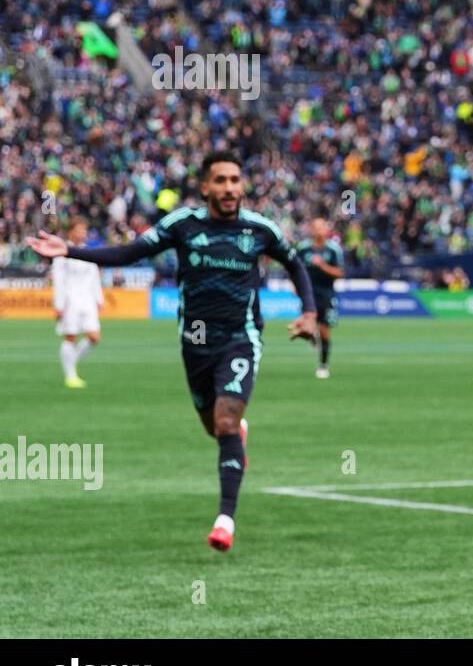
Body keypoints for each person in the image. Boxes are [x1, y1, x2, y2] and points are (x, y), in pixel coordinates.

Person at [25, 151, 318, 551]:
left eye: (235, 180)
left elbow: (295, 263)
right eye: (221, 180)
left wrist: (310, 312)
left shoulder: (260, 229)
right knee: (214, 428)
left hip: (240, 337)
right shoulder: (182, 224)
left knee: (227, 423)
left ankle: (225, 521)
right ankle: (234, 438)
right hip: (195, 341)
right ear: (205, 187)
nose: (229, 188)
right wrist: (71, 251)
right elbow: (130, 253)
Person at [51, 218, 102, 388]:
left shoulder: (88, 252)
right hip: (70, 301)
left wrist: (99, 298)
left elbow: (94, 277)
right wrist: (59, 305)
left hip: (88, 300)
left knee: (94, 337)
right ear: (71, 231)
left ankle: (71, 362)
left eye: (85, 230)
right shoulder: (62, 253)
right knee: (70, 337)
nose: (83, 234)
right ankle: (70, 375)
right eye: (80, 230)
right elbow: (58, 280)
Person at [297, 217, 345, 379]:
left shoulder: (333, 250)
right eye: (315, 227)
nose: (318, 230)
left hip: (326, 294)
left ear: (326, 230)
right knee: (308, 329)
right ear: (310, 229)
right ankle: (313, 335)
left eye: (321, 227)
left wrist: (322, 266)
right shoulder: (303, 249)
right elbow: (294, 269)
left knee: (325, 332)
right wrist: (295, 285)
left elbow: (340, 273)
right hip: (308, 295)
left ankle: (323, 365)